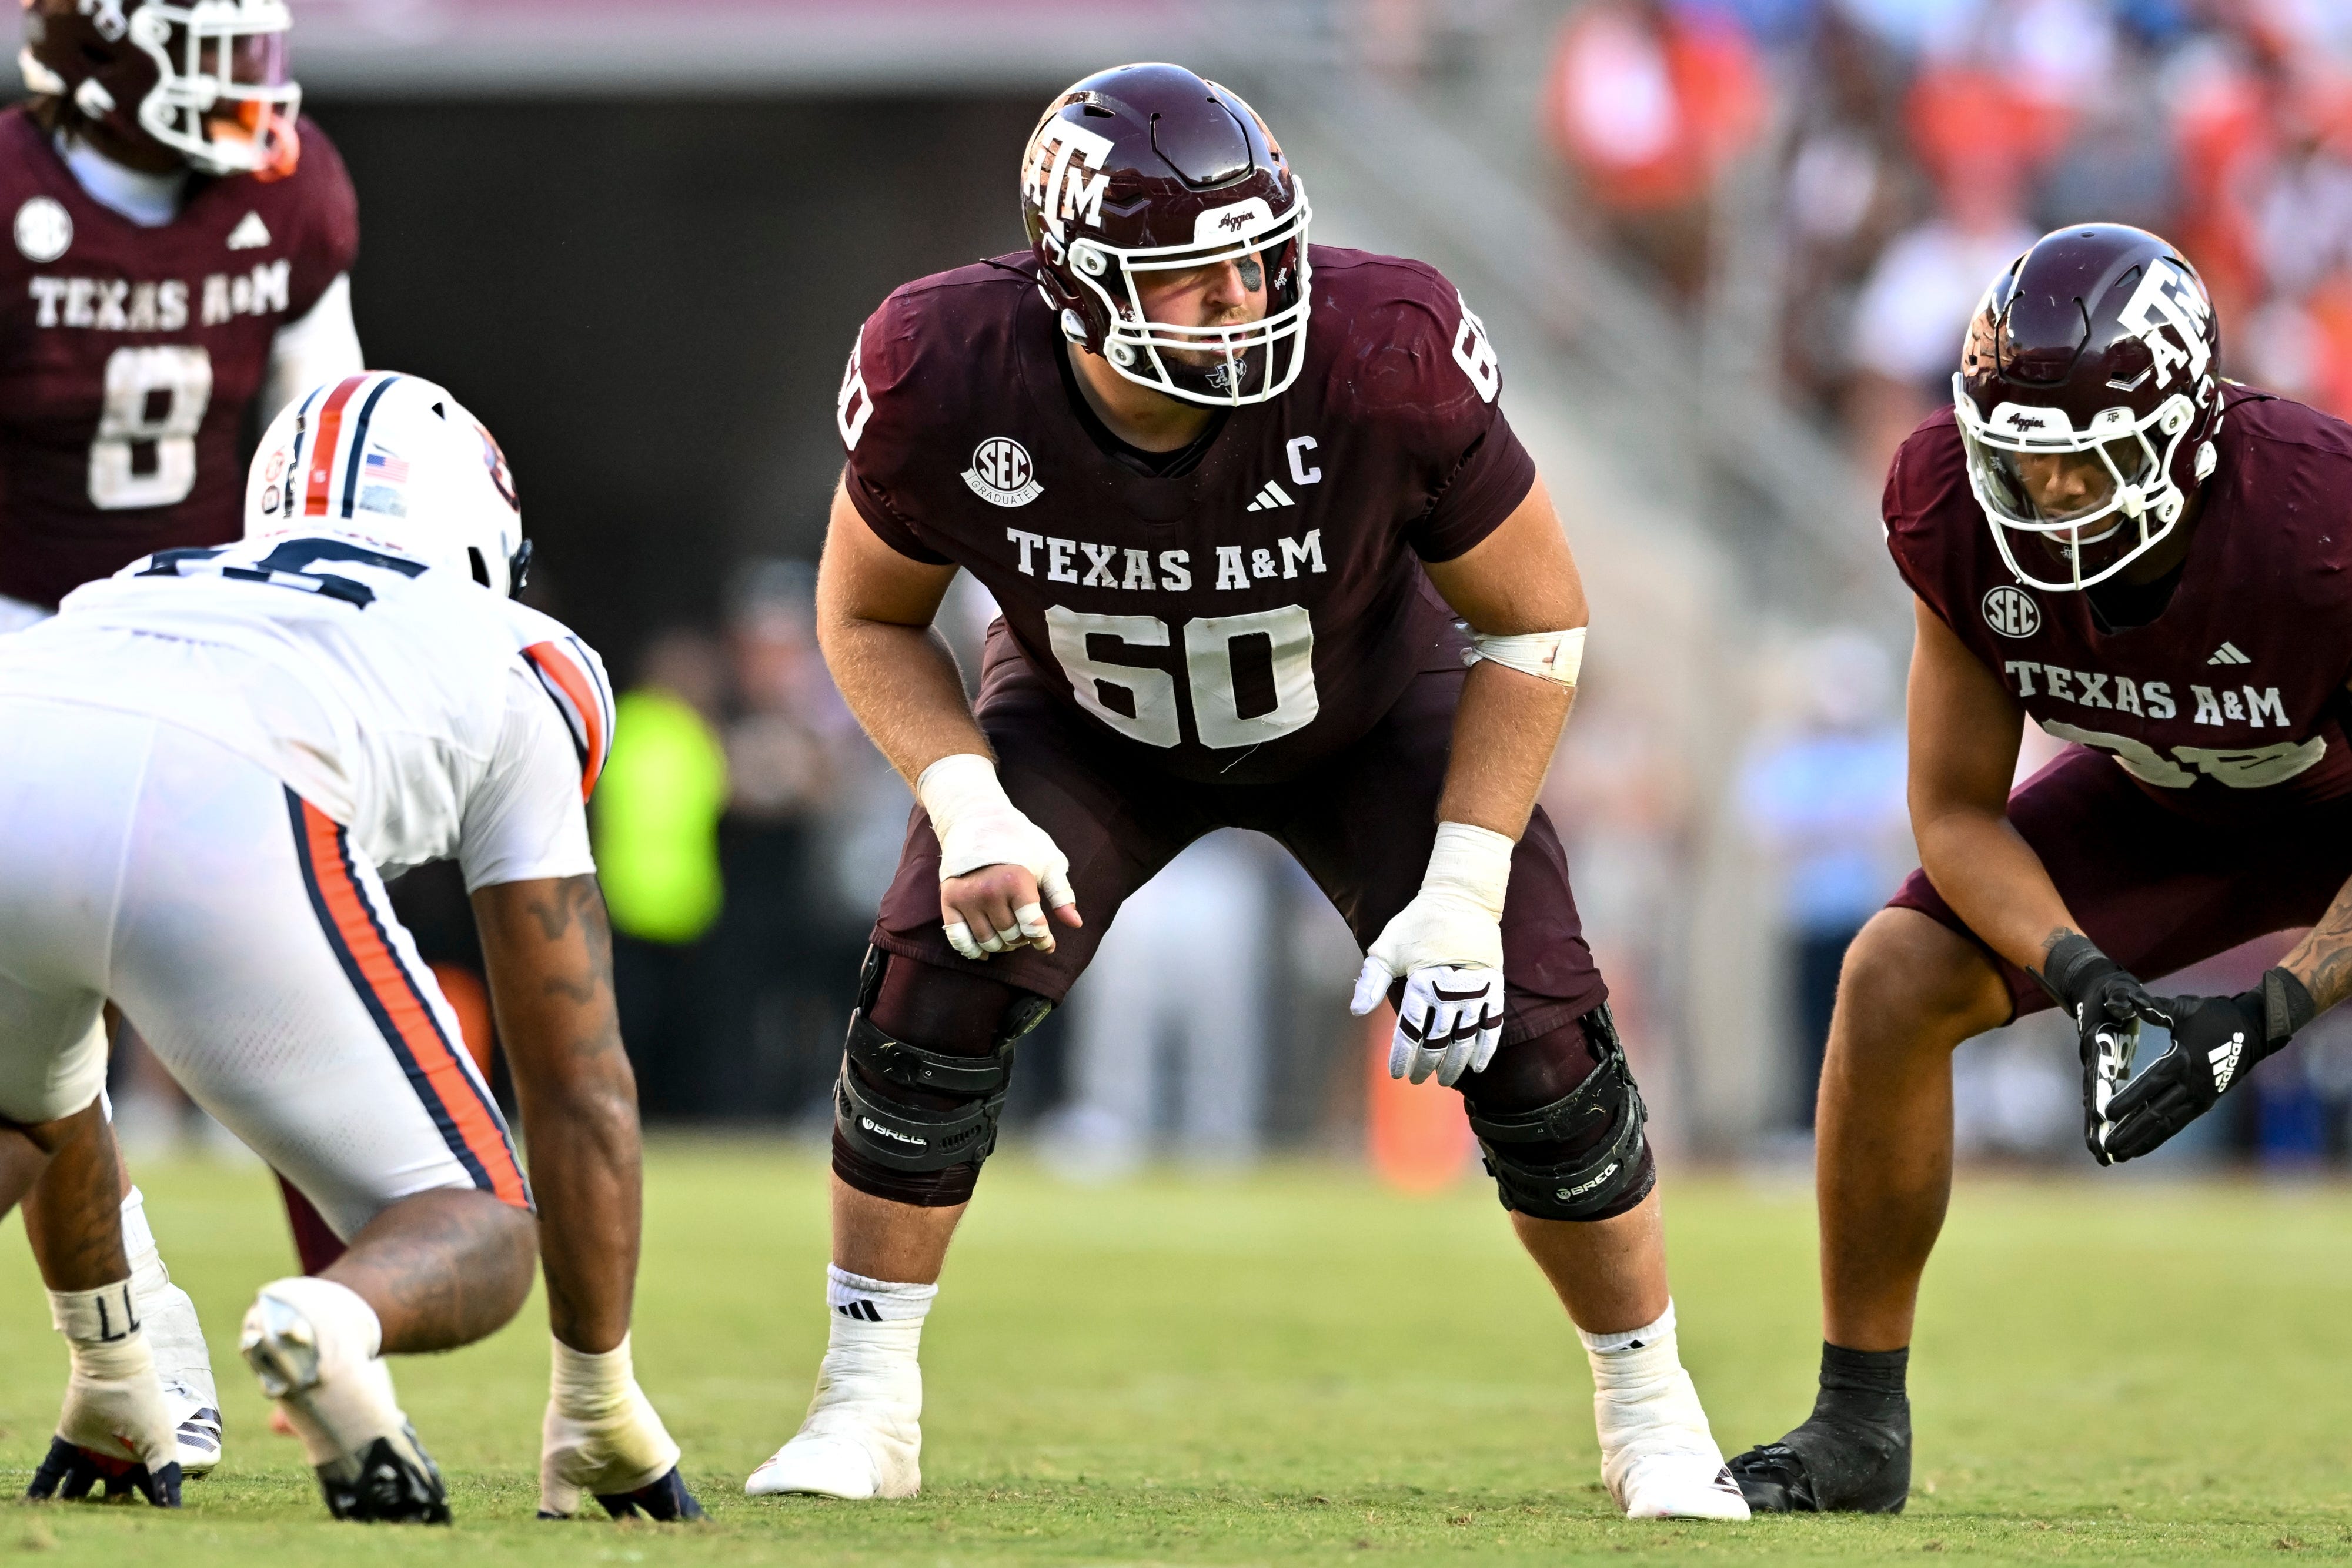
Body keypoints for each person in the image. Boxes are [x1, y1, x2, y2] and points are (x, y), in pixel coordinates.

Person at [743, 62, 1748, 1522]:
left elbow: (1533, 619)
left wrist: (1464, 883)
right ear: (1075, 290)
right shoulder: (946, 366)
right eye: (1193, 281)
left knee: (1536, 1044)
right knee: (931, 992)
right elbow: (868, 614)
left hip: (1360, 709)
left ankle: (1652, 1409)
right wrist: (966, 804)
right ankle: (861, 1403)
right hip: (1087, 720)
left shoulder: (1380, 347)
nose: (1245, 302)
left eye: (1259, 261)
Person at [0, 372, 700, 1524]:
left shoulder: (148, 579)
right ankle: (325, 1323)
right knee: (476, 1217)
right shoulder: (520, 650)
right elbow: (574, 1072)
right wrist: (598, 1398)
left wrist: (119, 1369)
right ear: (480, 524)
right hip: (230, 791)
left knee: (29, 1102)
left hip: (23, 714)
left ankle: (117, 1381)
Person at [1730, 223, 2352, 1512]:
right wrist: (2079, 972)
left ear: (2189, 437)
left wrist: (2265, 1010)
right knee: (1894, 974)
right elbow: (1954, 811)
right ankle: (1855, 1421)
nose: (2046, 499)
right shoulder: (1954, 511)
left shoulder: (2318, 524)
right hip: (2159, 802)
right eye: (2019, 463)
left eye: (2086, 467)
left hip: (2328, 809)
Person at [2, 0, 369, 1474]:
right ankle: (131, 1323)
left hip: (196, 624)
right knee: (39, 1006)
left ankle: (334, 1328)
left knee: (290, 980)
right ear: (94, 53)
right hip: (18, 617)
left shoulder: (294, 188)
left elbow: (320, 432)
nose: (247, 94)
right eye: (204, 55)